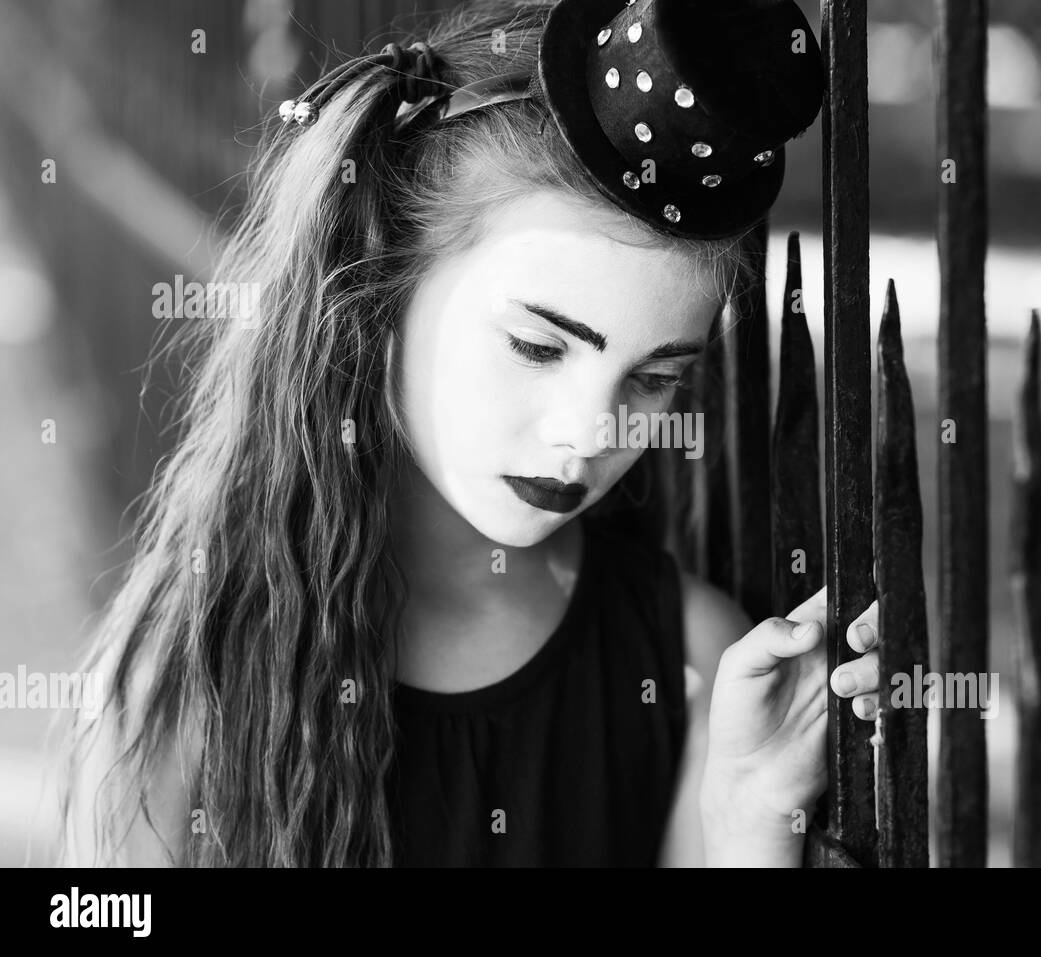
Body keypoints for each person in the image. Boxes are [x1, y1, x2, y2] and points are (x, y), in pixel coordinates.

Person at [56, 0, 881, 868]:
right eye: (536, 345)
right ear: (381, 291)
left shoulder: (695, 662)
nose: (592, 431)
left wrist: (752, 814)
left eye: (654, 378)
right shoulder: (188, 673)